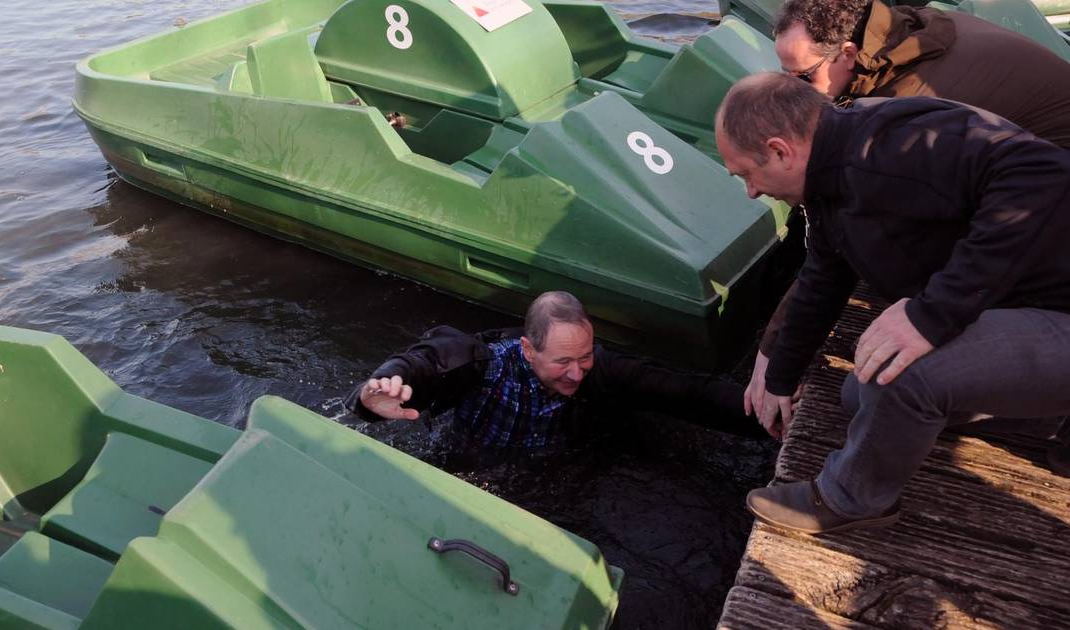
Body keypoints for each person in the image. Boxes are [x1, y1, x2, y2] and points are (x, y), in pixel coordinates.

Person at [715, 72, 1070, 533]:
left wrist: (931, 314)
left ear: (781, 150)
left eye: (746, 174)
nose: (751, 191)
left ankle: (851, 500)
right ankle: (1055, 420)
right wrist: (780, 377)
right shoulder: (829, 179)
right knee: (860, 392)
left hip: (1058, 311)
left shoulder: (895, 147)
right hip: (1031, 306)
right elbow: (823, 278)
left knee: (901, 373)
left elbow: (1045, 174)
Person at [748, 0, 1070, 439]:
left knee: (881, 371)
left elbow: (834, 245)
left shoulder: (909, 107)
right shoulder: (906, 34)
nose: (795, 91)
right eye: (785, 74)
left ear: (847, 53)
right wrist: (781, 360)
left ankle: (1035, 406)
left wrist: (928, 317)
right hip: (1031, 182)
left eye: (804, 77)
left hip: (1049, 214)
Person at [344, 291, 758, 451]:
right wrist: (372, 394)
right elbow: (425, 361)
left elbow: (683, 391)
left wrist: (761, 408)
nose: (576, 374)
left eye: (584, 357)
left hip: (550, 463)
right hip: (470, 457)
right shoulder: (482, 365)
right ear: (528, 349)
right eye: (562, 362)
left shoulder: (599, 371)